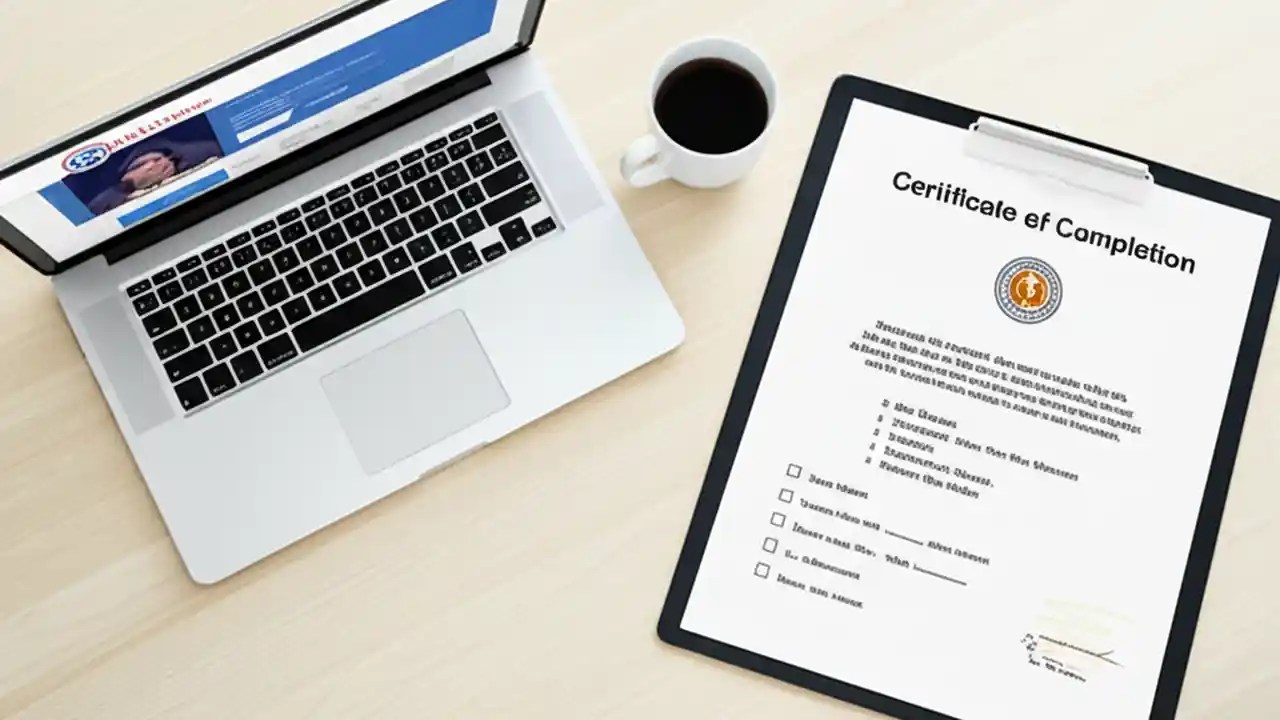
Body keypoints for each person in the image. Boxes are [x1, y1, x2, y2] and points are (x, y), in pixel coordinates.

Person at [87, 137, 222, 215]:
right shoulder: (104, 180)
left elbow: (220, 149)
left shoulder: (187, 152)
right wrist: (128, 185)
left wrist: (175, 158)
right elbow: (92, 212)